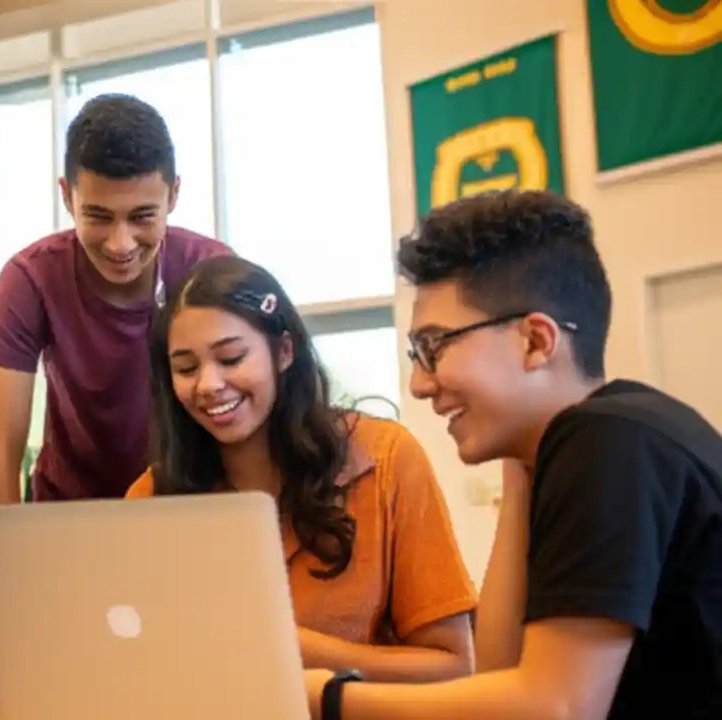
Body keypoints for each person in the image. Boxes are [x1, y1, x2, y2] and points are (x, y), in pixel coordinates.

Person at [303, 190, 722, 719]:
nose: (419, 384)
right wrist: (519, 465)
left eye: (435, 347)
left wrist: (324, 697)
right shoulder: (595, 436)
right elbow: (502, 675)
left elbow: (557, 707)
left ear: (535, 342)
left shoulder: (609, 441)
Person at [127, 255, 476, 682]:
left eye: (232, 358)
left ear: (284, 351)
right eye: (186, 368)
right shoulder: (152, 498)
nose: (209, 384)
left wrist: (301, 653)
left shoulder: (386, 459)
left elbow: (452, 668)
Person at [0, 93, 230, 505]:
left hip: (187, 505)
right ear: (66, 196)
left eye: (142, 216)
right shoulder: (30, 280)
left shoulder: (209, 269)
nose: (120, 243)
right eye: (98, 216)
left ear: (174, 195)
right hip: (69, 515)